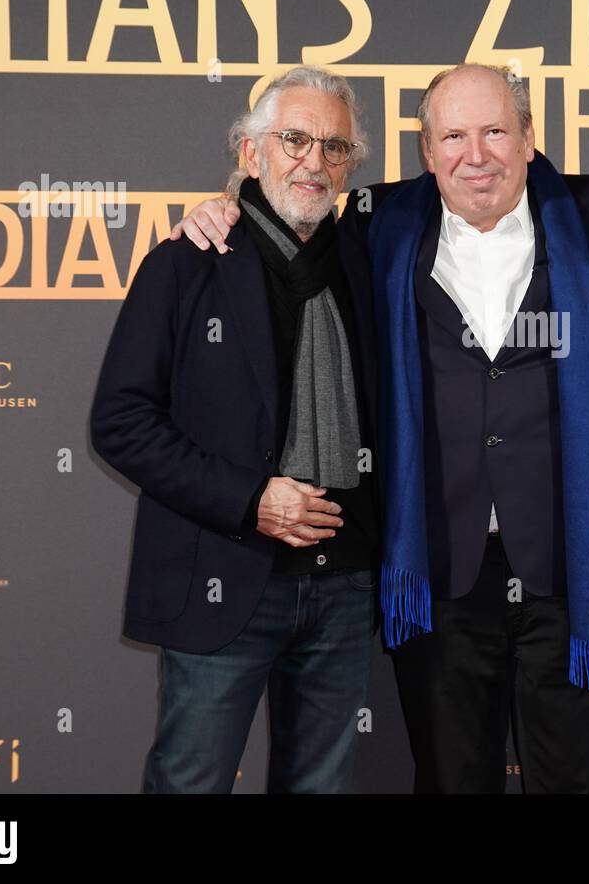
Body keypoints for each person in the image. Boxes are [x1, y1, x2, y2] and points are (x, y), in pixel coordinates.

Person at [171, 64, 589, 793]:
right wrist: (221, 209)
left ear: (529, 139)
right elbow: (288, 228)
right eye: (455, 136)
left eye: (496, 131)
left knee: (579, 780)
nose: (478, 154)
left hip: (571, 568)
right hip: (439, 569)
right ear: (427, 149)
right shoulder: (379, 221)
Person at [90, 66, 380, 793]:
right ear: (251, 154)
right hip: (224, 575)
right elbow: (120, 421)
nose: (314, 161)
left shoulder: (368, 260)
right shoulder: (186, 263)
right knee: (192, 782)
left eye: (334, 147)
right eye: (294, 140)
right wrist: (252, 498)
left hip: (344, 588)